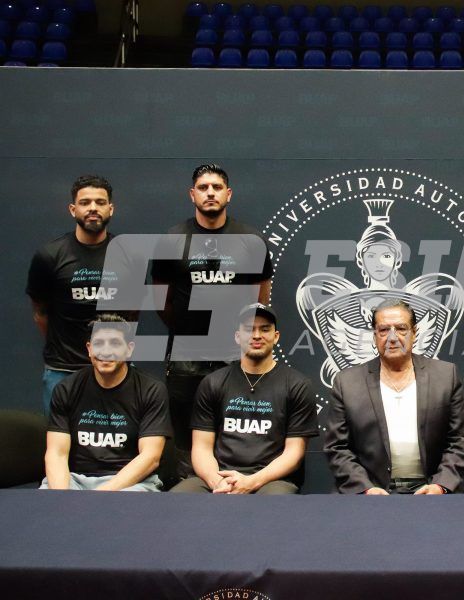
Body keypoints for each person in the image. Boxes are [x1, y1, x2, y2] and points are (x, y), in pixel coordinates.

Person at [151, 164, 273, 477]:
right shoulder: (172, 239)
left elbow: (260, 297)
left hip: (234, 356)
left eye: (217, 187)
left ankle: (236, 488)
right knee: (185, 442)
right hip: (185, 357)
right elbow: (160, 298)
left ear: (228, 194)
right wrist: (186, 328)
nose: (210, 193)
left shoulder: (250, 239)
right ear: (192, 194)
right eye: (203, 187)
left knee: (237, 435)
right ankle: (190, 493)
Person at [324, 299, 464, 494]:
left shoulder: (445, 376)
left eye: (401, 329)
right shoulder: (347, 383)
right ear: (375, 335)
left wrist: (440, 485)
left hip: (432, 490)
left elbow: (460, 440)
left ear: (415, 333)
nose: (392, 337)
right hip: (370, 492)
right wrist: (365, 488)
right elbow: (337, 447)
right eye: (384, 330)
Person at [171, 304, 318, 494]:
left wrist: (252, 482)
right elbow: (201, 448)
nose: (256, 335)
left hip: (271, 480)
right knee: (179, 496)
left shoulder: (297, 385)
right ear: (237, 336)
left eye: (264, 329)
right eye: (249, 329)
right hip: (219, 476)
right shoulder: (213, 382)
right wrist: (217, 482)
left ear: (276, 336)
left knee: (276, 500)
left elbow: (294, 453)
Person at [42, 314, 171, 491]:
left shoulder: (151, 390)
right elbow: (56, 454)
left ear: (129, 349)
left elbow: (150, 457)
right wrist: (62, 497)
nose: (106, 351)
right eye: (99, 343)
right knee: (47, 502)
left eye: (115, 344)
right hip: (75, 480)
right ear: (89, 349)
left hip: (131, 483)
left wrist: (99, 497)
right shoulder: (66, 389)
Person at [27, 175, 119, 413]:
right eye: (85, 202)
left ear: (110, 209)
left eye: (100, 202)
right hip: (62, 370)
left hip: (114, 368)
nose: (93, 208)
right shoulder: (49, 255)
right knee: (60, 434)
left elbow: (132, 313)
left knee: (113, 435)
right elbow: (40, 312)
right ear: (72, 209)